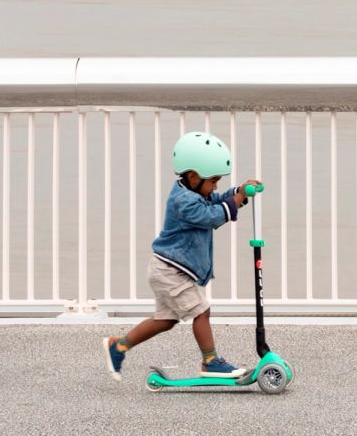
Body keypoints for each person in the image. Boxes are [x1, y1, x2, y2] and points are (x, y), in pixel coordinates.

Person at [104, 131, 260, 381]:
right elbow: (211, 216)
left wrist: (239, 191)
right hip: (170, 271)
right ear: (193, 176)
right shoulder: (184, 201)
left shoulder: (197, 192)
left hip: (168, 269)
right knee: (201, 311)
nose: (216, 186)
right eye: (213, 180)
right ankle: (211, 362)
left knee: (165, 321)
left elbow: (217, 200)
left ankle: (119, 345)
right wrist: (237, 200)